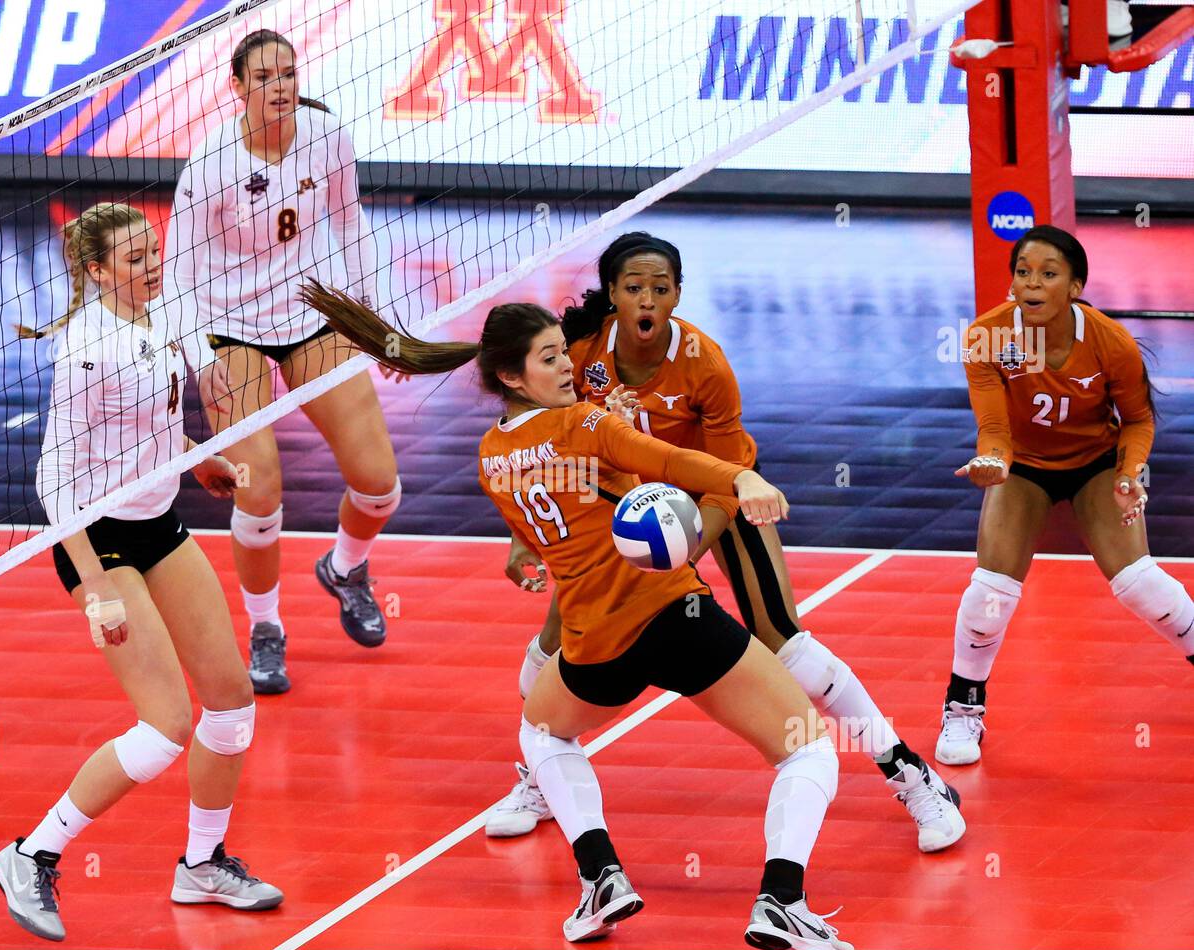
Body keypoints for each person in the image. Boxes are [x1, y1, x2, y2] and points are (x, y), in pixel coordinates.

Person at [302, 282, 853, 950]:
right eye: (549, 358)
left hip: (594, 642)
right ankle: (783, 901)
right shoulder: (585, 426)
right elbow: (669, 462)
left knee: (541, 730)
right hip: (674, 616)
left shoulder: (491, 457)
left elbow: (566, 505)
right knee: (807, 748)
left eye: (564, 352)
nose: (567, 365)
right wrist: (740, 479)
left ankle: (600, 877)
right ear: (513, 376)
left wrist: (605, 435)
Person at [487, 232, 963, 853]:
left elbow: (726, 472)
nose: (647, 300)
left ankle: (911, 776)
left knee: (784, 643)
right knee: (553, 648)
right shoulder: (576, 355)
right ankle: (541, 776)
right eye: (634, 288)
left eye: (660, 288)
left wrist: (681, 546)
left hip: (721, 490)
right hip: (627, 509)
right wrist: (523, 538)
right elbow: (535, 454)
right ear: (613, 295)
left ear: (678, 294)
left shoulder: (704, 364)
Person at [0, 203, 282, 942]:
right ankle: (30, 854)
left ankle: (202, 864)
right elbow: (57, 480)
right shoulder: (89, 350)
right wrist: (94, 588)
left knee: (232, 705)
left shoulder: (170, 308)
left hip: (156, 523)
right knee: (166, 727)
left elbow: (156, 421)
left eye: (154, 251)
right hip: (96, 536)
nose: (153, 266)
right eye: (134, 259)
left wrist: (198, 459)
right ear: (96, 271)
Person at [164, 28, 401, 694]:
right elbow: (177, 274)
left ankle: (345, 567)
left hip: (308, 312)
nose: (280, 87)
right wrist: (198, 359)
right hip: (227, 327)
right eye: (264, 77)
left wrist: (375, 321)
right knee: (259, 488)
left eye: (288, 74)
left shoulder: (327, 137)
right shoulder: (211, 163)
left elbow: (350, 226)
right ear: (237, 87)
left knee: (380, 483)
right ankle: (266, 628)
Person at [941, 224, 1192, 765]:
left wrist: (1129, 474)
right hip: (1025, 467)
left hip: (1094, 463)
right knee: (989, 594)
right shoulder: (989, 336)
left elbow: (1138, 420)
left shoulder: (1110, 342)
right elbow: (994, 429)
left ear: (1075, 286)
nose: (1031, 283)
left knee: (1142, 586)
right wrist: (992, 462)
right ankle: (963, 708)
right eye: (1023, 272)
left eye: (1048, 274)